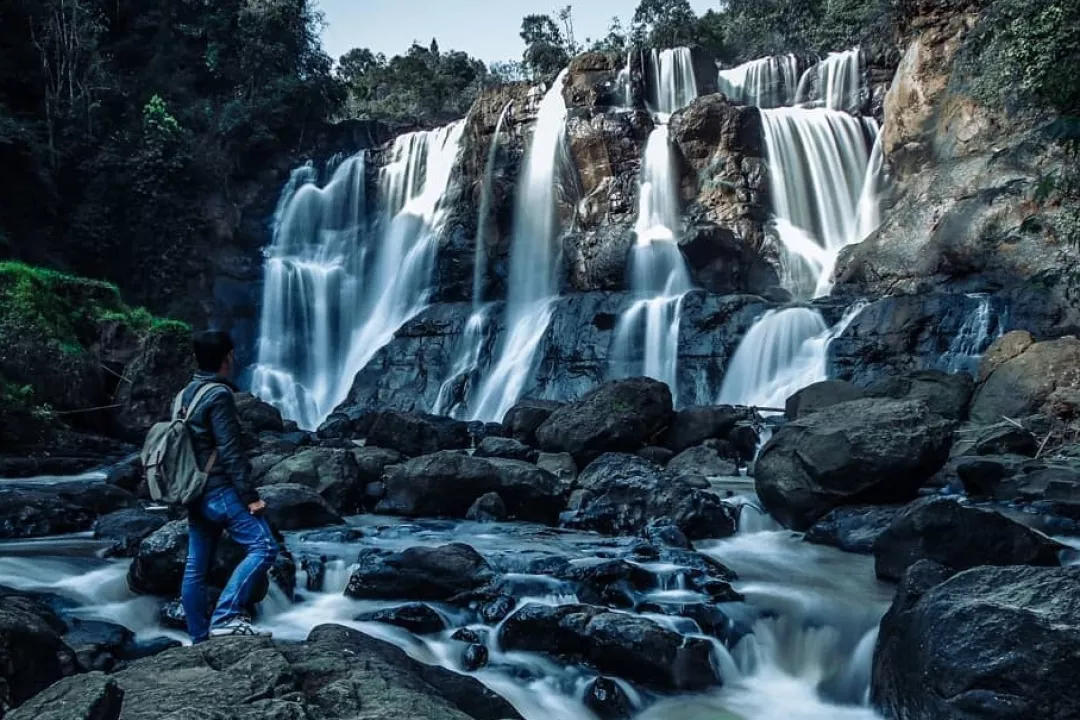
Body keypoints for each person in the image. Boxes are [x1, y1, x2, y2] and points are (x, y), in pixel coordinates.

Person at [179, 330, 277, 641]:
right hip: (219, 490)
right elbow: (230, 449)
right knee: (264, 547)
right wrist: (250, 497)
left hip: (192, 490)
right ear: (229, 357)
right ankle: (226, 616)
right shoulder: (218, 395)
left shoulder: (184, 395)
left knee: (196, 567)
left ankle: (198, 637)